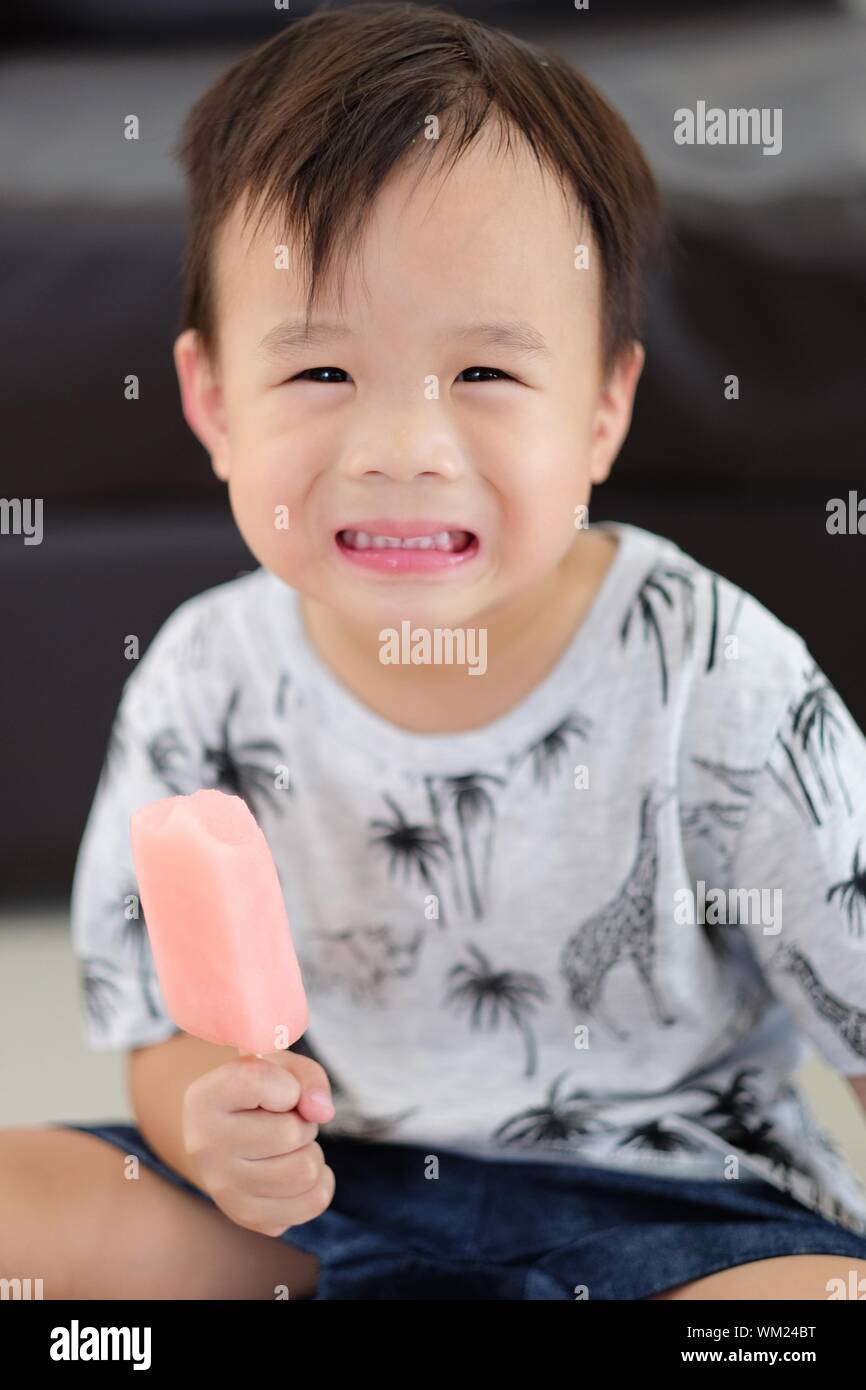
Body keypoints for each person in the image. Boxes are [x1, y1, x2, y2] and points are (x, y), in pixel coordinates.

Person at [3, 2, 866, 1300]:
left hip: (675, 1207)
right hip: (321, 1203)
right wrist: (212, 1127)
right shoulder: (202, 675)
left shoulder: (713, 669)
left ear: (599, 410)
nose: (402, 449)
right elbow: (163, 1038)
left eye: (481, 374)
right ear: (214, 402)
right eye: (320, 374)